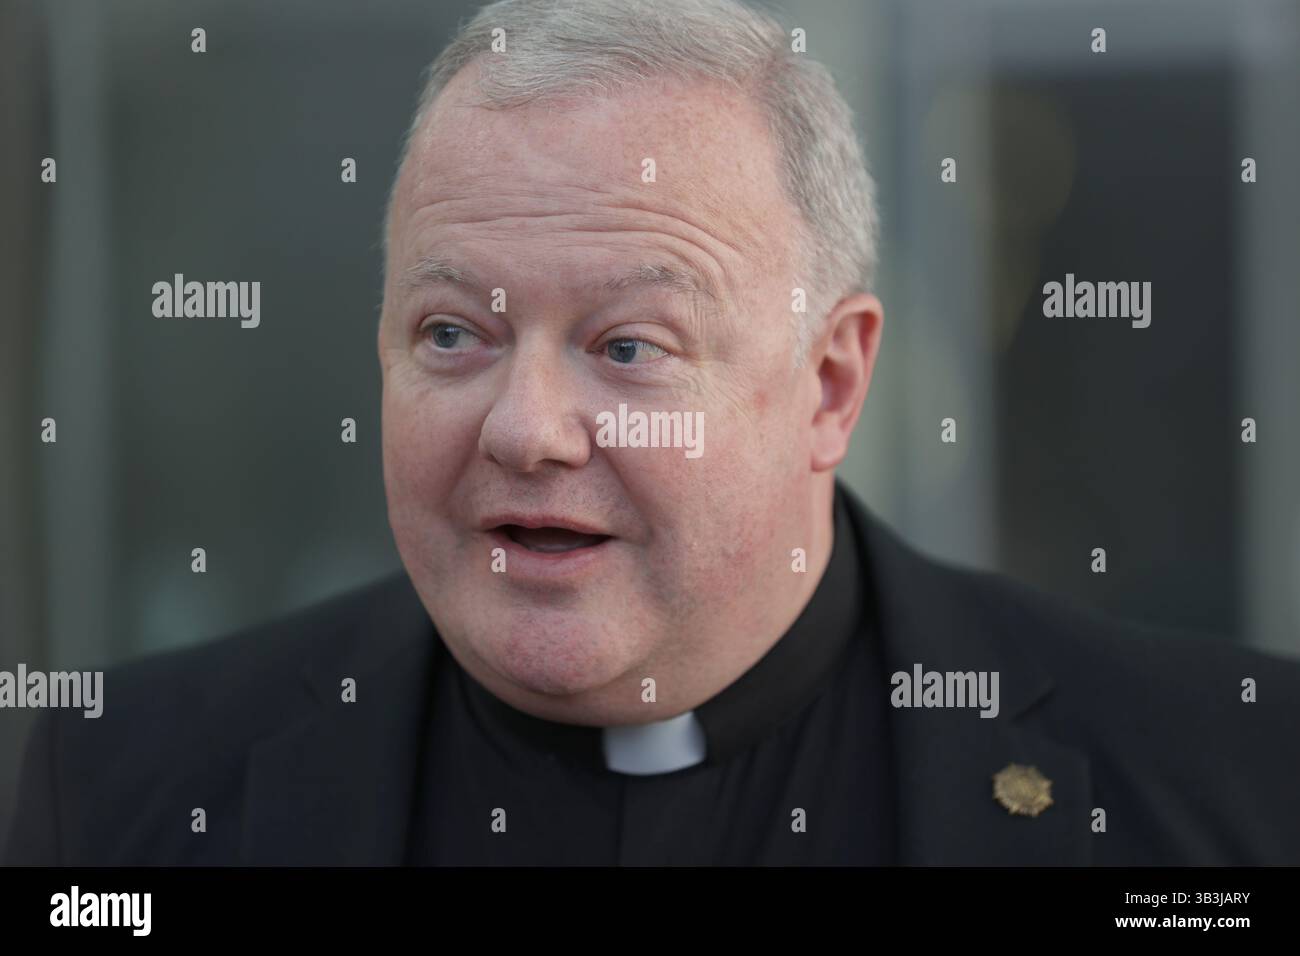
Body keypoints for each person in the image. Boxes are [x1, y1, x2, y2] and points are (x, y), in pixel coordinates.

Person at [6, 0, 1299, 866]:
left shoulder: (1224, 787)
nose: (528, 432)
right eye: (453, 335)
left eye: (629, 348)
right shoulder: (121, 793)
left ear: (830, 385)